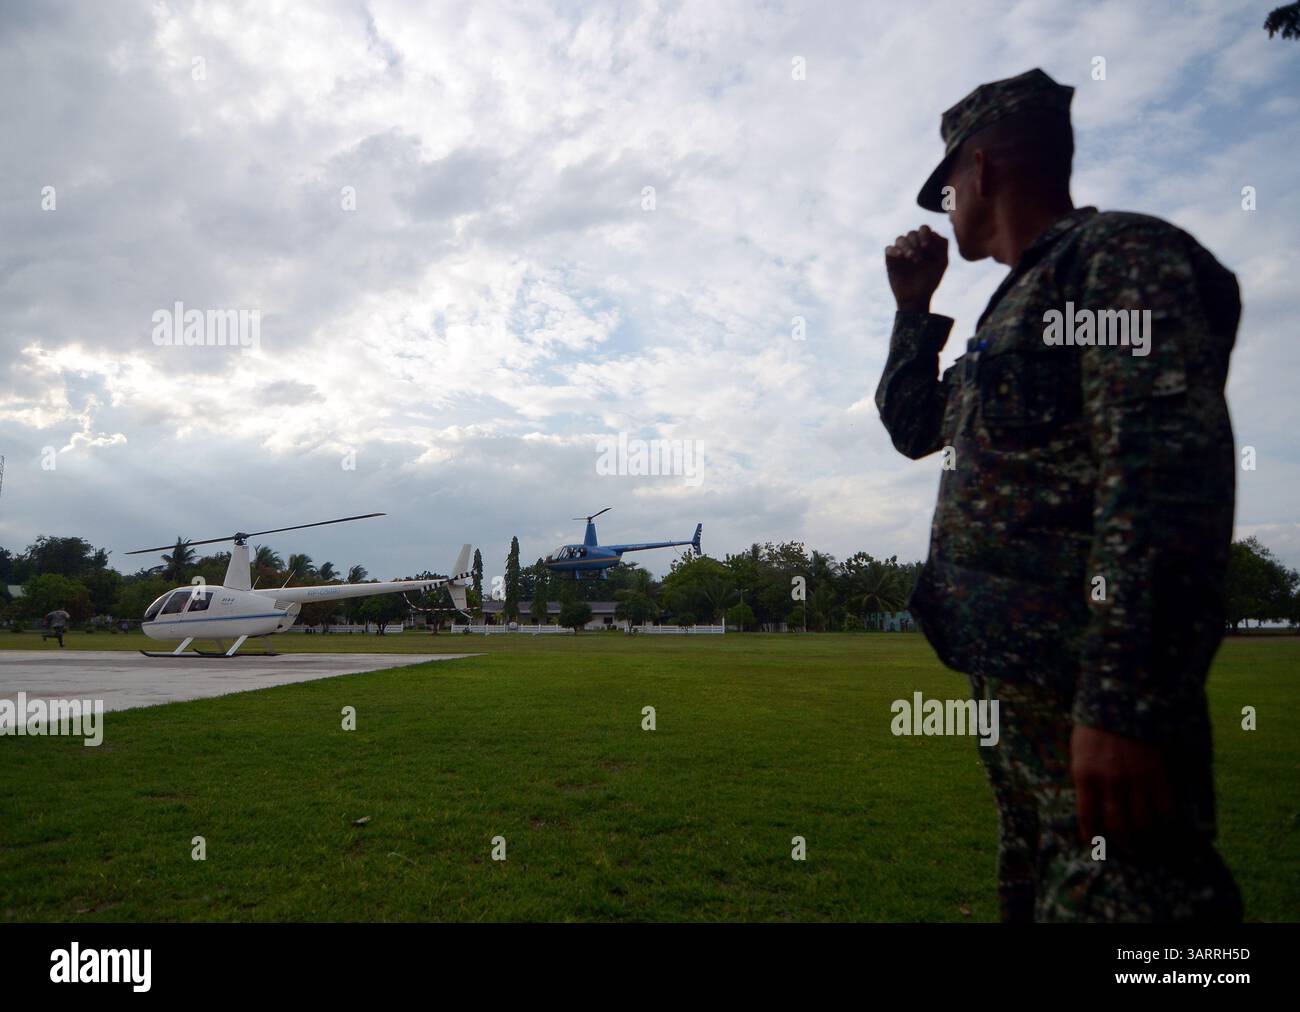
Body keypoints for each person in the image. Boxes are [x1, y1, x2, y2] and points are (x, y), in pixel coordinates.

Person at [876, 68, 1241, 922]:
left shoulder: (1118, 259)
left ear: (980, 170)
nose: (944, 210)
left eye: (945, 189)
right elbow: (914, 426)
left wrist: (1124, 703)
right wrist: (911, 311)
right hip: (1022, 700)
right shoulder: (1016, 307)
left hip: (1092, 696)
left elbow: (1163, 475)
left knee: (1148, 919)